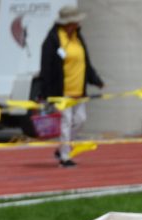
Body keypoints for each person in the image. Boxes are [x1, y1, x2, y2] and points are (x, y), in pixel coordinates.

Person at [37, 5, 104, 167]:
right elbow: (46, 67)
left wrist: (95, 79)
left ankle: (62, 148)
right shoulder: (53, 39)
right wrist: (45, 93)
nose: (78, 24)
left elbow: (85, 63)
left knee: (80, 120)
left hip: (79, 91)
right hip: (62, 92)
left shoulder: (78, 38)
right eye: (75, 22)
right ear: (67, 23)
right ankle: (65, 157)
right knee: (65, 123)